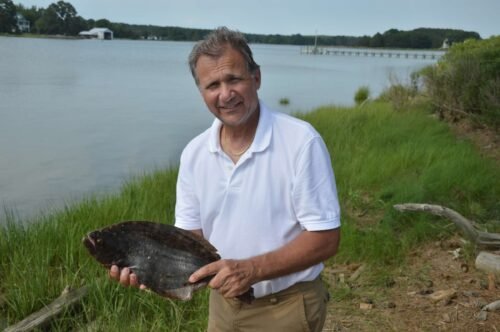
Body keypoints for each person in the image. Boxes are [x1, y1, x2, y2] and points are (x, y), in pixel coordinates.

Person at [110, 26, 341, 332]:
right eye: (213, 85)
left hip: (285, 306)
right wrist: (150, 269)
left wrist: (251, 269)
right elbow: (189, 241)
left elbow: (326, 239)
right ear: (201, 92)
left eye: (234, 79)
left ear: (256, 78)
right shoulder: (194, 154)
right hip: (222, 305)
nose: (225, 94)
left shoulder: (301, 142)